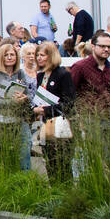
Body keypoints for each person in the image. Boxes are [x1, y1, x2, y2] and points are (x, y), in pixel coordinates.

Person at [0, 41, 35, 173]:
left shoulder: (20, 73)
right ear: (1, 57)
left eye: (13, 54)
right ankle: (0, 182)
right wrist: (10, 103)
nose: (10, 57)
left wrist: (25, 99)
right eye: (6, 55)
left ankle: (19, 181)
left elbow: (28, 95)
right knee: (0, 154)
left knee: (20, 152)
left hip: (17, 119)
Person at [31, 41, 76, 183]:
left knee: (62, 162)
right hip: (44, 123)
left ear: (51, 56)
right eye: (37, 55)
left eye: (42, 55)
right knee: (49, 160)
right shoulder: (40, 76)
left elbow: (69, 103)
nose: (39, 58)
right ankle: (54, 190)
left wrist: (46, 110)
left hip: (60, 123)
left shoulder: (63, 74)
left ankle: (65, 192)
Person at [69, 30, 110, 120]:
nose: (106, 49)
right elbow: (70, 94)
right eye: (102, 46)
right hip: (87, 119)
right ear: (93, 46)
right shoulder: (80, 67)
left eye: (109, 47)